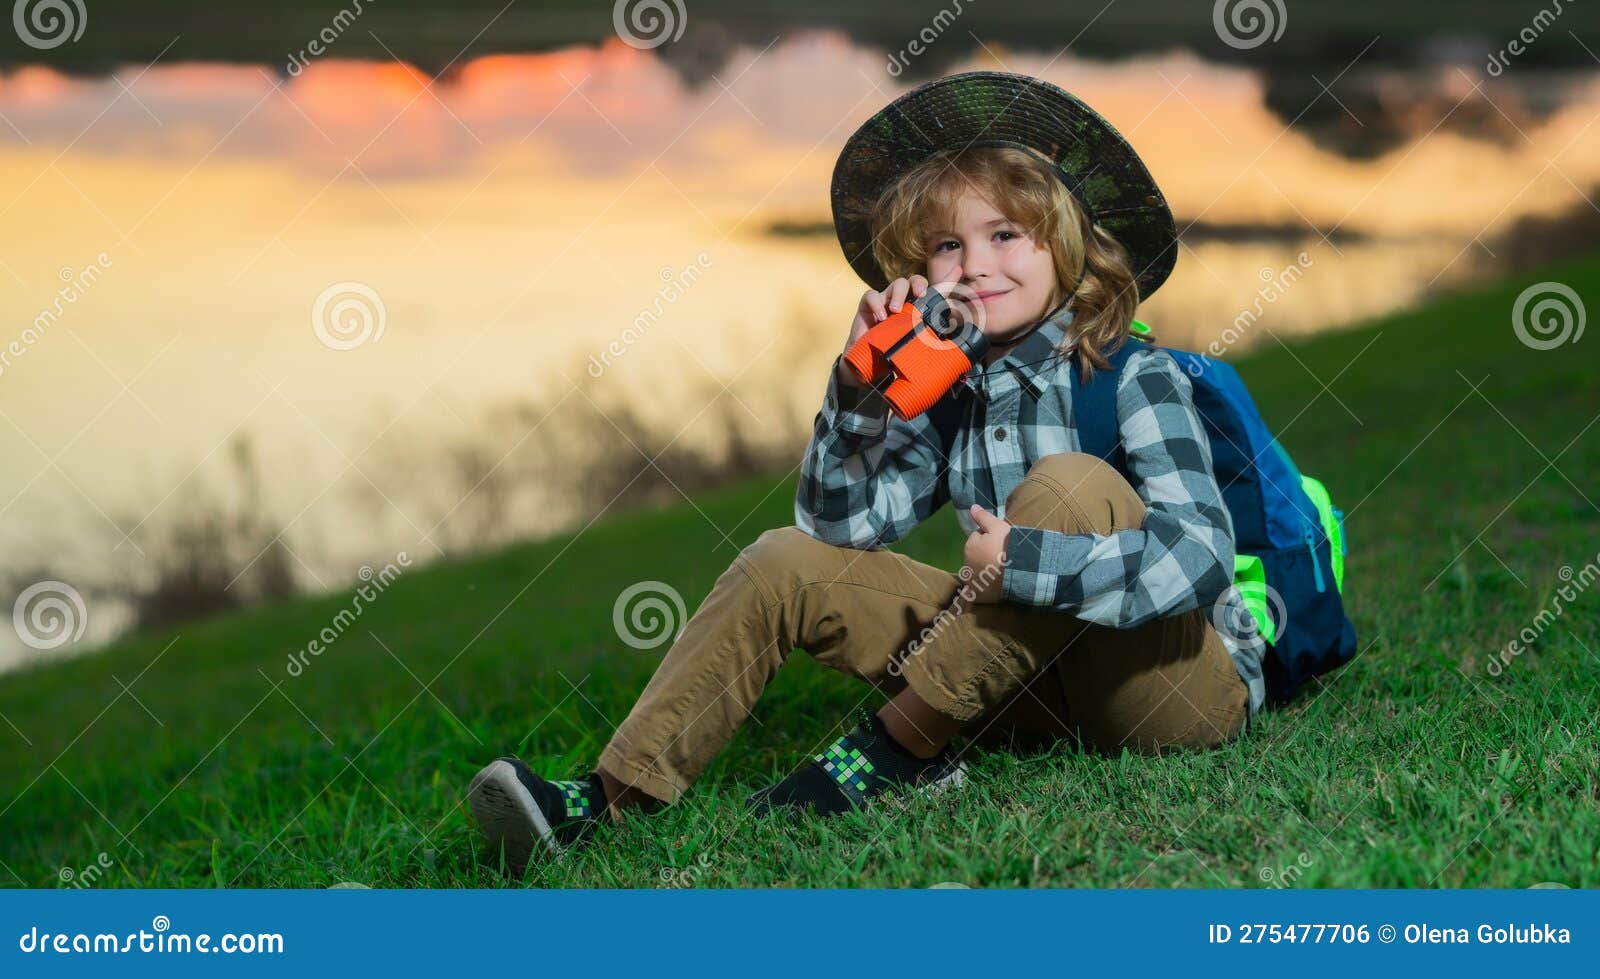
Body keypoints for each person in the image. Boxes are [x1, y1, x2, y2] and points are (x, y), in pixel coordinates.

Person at [467, 71, 1266, 873]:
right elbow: (837, 534)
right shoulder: (951, 393)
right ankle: (609, 800)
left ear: (1063, 243)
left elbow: (1197, 556)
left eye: (1005, 235)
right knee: (782, 560)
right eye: (948, 244)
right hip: (1018, 687)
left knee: (1068, 484)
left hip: (1163, 693)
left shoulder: (1137, 376)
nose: (975, 265)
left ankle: (904, 744)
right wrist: (860, 392)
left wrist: (1021, 562)